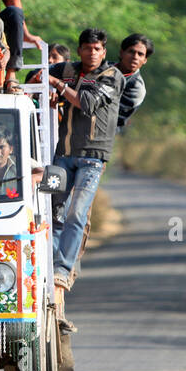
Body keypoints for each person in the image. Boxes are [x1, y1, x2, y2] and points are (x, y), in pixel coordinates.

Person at [46, 28, 124, 321]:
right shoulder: (65, 69)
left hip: (91, 160)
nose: (92, 53)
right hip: (60, 157)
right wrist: (49, 87)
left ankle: (62, 270)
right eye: (87, 48)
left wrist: (58, 87)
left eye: (97, 49)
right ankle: (48, 263)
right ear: (79, 50)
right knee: (50, 208)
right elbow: (35, 76)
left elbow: (88, 103)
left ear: (104, 52)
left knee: (76, 214)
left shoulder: (112, 76)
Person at [115, 33, 153, 131]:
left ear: (145, 60)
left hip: (100, 137)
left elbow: (111, 115)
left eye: (140, 54)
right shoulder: (102, 68)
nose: (135, 57)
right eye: (131, 52)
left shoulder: (136, 88)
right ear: (121, 53)